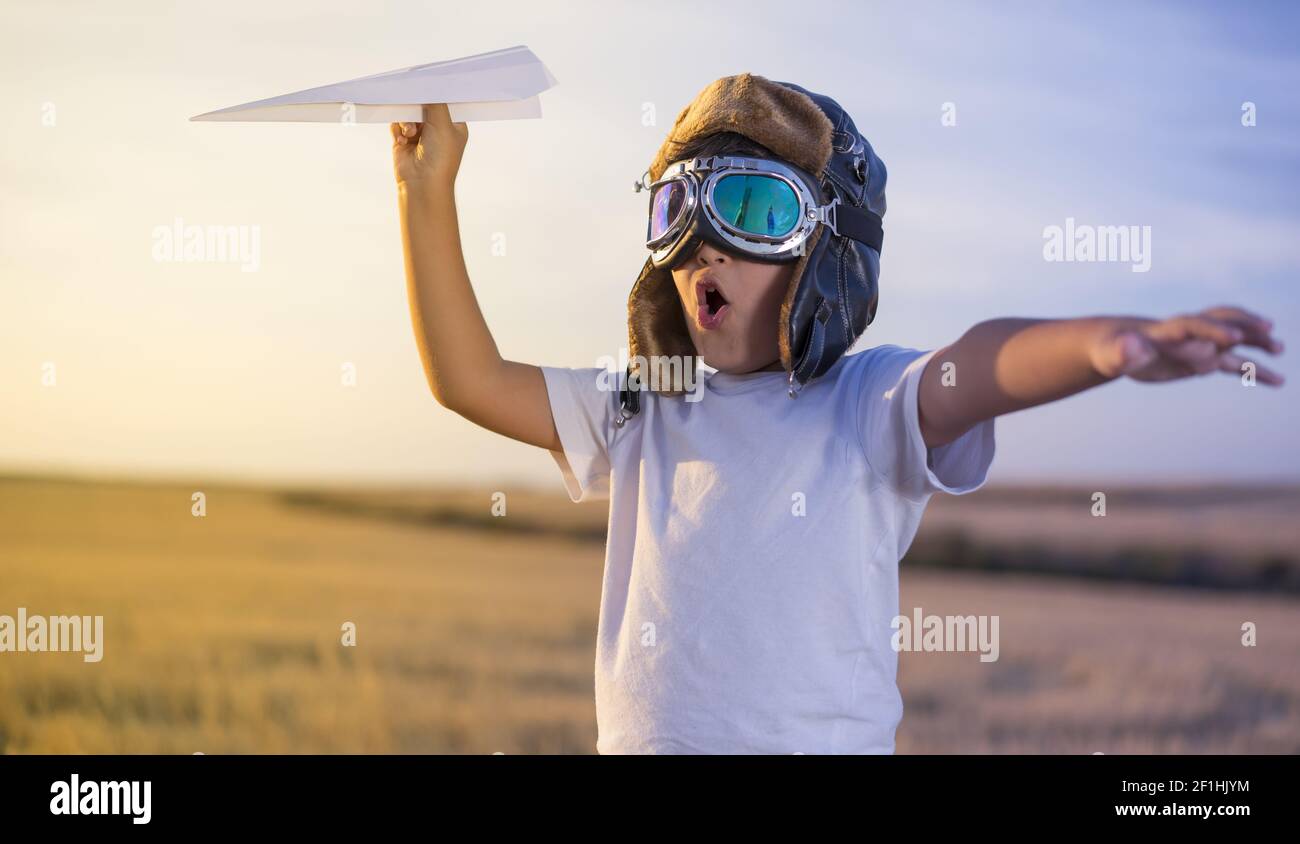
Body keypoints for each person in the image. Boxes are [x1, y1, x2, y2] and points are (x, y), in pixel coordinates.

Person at [390, 74, 1284, 754]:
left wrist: (1102, 346)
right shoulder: (643, 405)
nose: (707, 246)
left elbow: (976, 366)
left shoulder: (865, 403)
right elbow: (469, 378)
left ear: (830, 249)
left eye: (751, 208)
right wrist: (423, 195)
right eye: (677, 214)